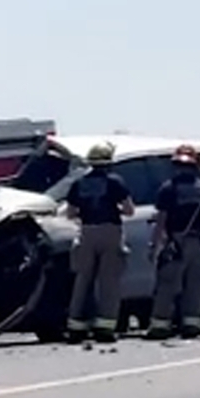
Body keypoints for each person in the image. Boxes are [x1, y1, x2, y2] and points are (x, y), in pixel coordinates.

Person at [61, 141, 133, 343]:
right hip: (110, 232)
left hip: (86, 232)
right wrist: (114, 209)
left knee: (83, 280)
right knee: (108, 281)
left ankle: (76, 326)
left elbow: (70, 213)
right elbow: (129, 210)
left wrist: (86, 212)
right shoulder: (115, 181)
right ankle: (105, 327)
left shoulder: (79, 183)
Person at [147, 144, 200, 340]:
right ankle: (191, 324)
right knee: (193, 286)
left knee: (167, 285)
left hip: (175, 241)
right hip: (197, 240)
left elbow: (162, 219)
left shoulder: (168, 188)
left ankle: (160, 325)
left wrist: (155, 245)